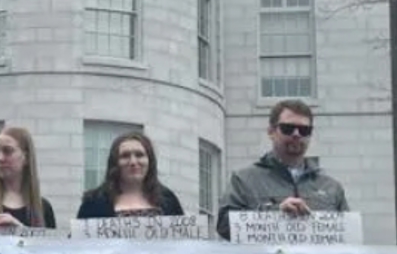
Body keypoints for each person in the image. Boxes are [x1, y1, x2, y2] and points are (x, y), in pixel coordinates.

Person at [216, 100, 350, 239]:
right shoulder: (243, 180)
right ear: (271, 132)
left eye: (304, 130)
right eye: (288, 128)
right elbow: (224, 226)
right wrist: (274, 213)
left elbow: (349, 238)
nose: (296, 134)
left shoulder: (332, 188)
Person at [75, 130, 185, 219]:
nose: (133, 162)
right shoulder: (93, 202)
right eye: (125, 156)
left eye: (139, 155)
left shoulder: (168, 199)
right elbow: (77, 243)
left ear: (150, 161)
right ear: (114, 163)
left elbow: (184, 241)